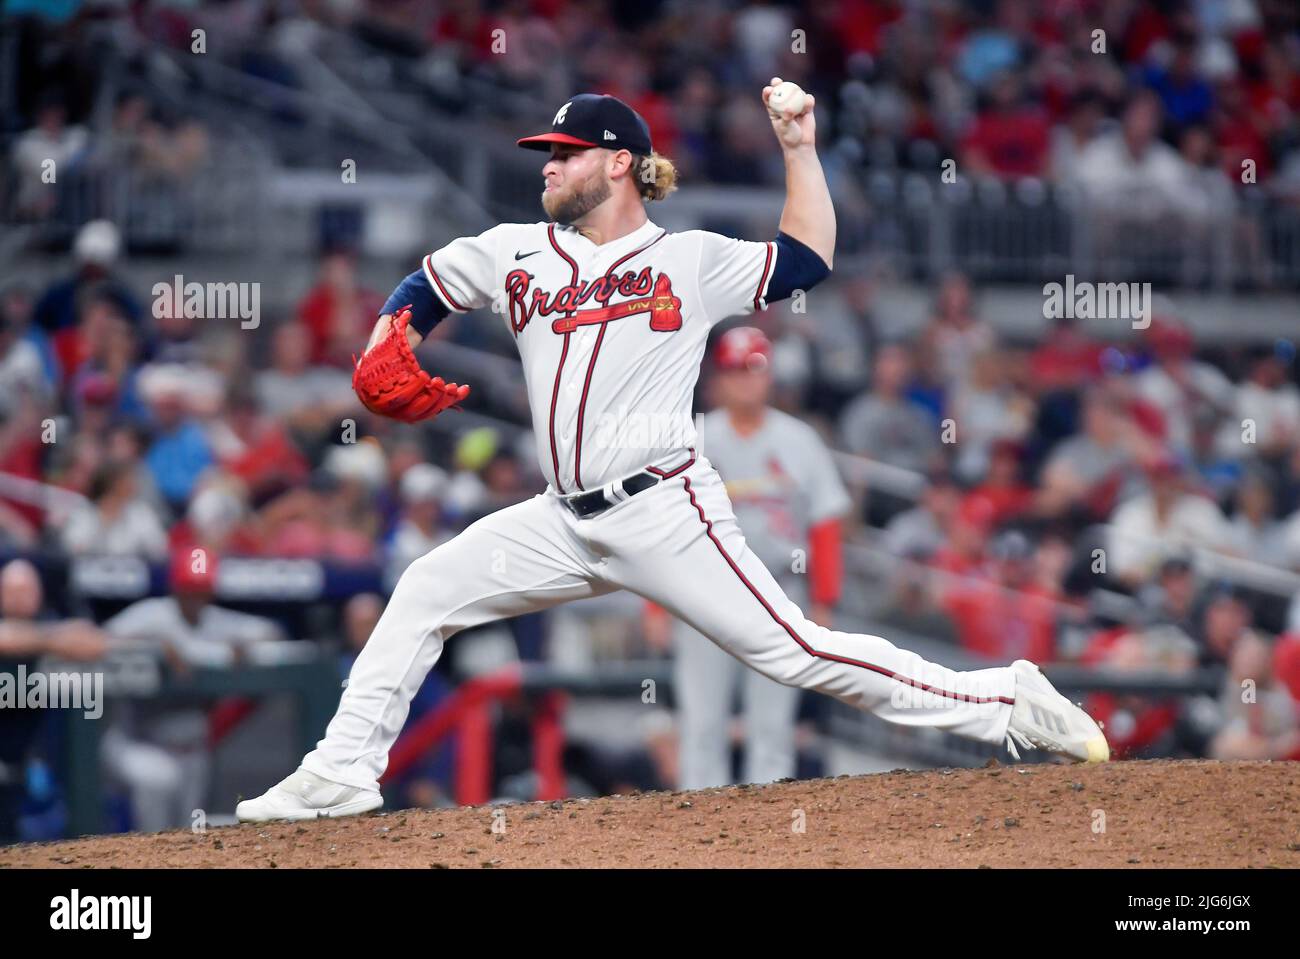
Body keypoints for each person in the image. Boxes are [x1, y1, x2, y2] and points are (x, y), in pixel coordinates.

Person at [238, 86, 1109, 823]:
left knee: (799, 651)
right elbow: (426, 285)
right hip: (559, 517)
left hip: (664, 509)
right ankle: (344, 770)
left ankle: (1007, 700)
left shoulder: (687, 259)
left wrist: (799, 148)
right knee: (427, 586)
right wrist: (393, 334)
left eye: (567, 153)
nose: (547, 164)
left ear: (618, 163)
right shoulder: (515, 252)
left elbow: (805, 260)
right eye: (547, 153)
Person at [655, 326, 850, 789]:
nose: (746, 381)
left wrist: (825, 599)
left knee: (773, 726)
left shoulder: (800, 440)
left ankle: (772, 839)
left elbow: (824, 524)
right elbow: (658, 524)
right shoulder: (690, 439)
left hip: (780, 589)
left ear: (769, 377)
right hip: (703, 592)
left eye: (754, 371)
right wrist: (653, 603)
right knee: (701, 724)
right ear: (717, 379)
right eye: (736, 372)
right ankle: (698, 831)